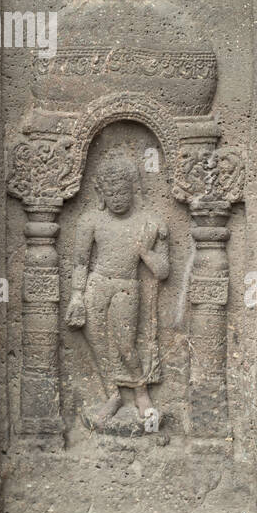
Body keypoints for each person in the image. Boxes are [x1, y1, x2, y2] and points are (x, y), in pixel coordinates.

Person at [65, 148, 169, 427]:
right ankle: (113, 394)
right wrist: (76, 296)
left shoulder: (150, 223)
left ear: (134, 189)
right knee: (97, 342)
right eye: (111, 195)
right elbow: (80, 262)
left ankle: (141, 392)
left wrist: (145, 251)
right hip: (96, 284)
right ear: (101, 193)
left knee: (126, 345)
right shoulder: (90, 221)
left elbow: (162, 272)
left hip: (126, 286)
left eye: (123, 192)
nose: (118, 199)